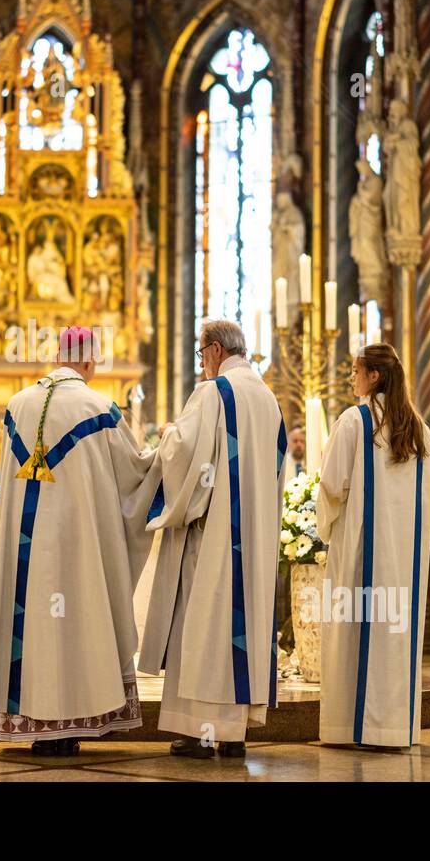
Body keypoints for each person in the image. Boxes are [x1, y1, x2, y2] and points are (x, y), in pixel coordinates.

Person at [0, 326, 155, 755]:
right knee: (78, 620)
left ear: (57, 355)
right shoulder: (100, 407)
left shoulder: (17, 406)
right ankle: (72, 724)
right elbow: (134, 479)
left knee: (34, 621)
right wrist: (166, 452)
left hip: (28, 546)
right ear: (91, 362)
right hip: (79, 547)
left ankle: (36, 723)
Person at [139, 320, 287, 759]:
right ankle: (233, 733)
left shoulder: (213, 393)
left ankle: (198, 732)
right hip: (253, 541)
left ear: (217, 350)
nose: (201, 362)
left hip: (211, 537)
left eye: (201, 353)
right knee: (237, 627)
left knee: (201, 628)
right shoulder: (269, 399)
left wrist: (166, 435)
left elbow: (182, 454)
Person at [316, 343, 430, 747]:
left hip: (360, 549)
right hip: (404, 555)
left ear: (375, 377)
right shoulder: (420, 428)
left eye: (356, 371)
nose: (351, 377)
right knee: (395, 634)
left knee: (353, 632)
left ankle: (349, 727)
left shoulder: (355, 421)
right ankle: (392, 729)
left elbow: (332, 486)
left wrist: (327, 531)